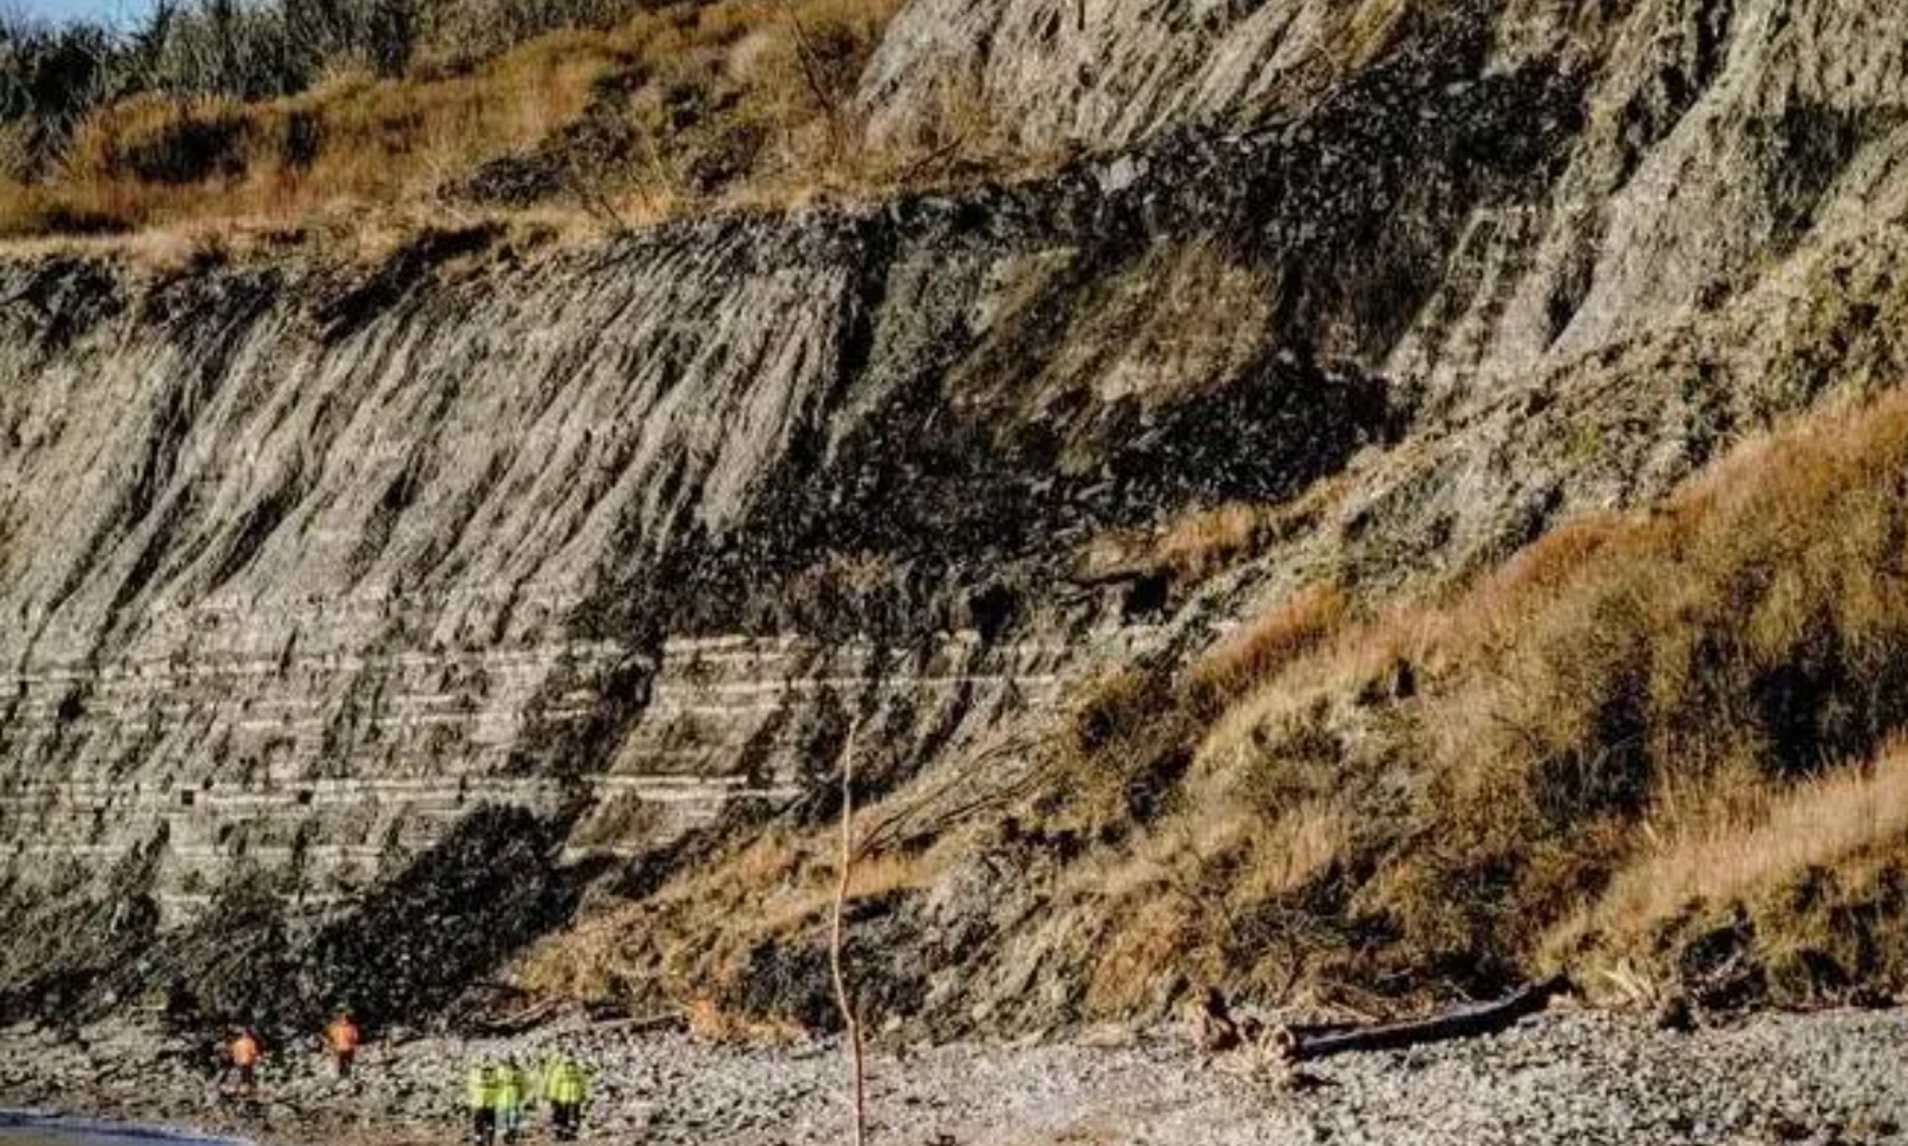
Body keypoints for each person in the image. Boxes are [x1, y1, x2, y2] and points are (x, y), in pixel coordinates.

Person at [541, 1049, 590, 1142]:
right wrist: (586, 1094)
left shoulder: (561, 1069)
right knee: (573, 1116)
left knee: (563, 1116)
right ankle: (569, 1133)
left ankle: (562, 1134)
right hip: (574, 1095)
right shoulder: (577, 1068)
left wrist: (553, 1096)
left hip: (563, 1096)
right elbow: (584, 1083)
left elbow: (555, 1083)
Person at [492, 1057, 527, 1144]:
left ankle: (512, 1135)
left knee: (513, 1117)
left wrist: (522, 1095)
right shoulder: (499, 1070)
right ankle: (505, 1136)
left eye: (512, 1060)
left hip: (513, 1096)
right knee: (503, 1117)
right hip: (502, 1096)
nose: (510, 1062)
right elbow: (495, 1083)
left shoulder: (518, 1070)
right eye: (509, 1060)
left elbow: (522, 1084)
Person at [466, 1059, 498, 1146]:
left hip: (486, 1107)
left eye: (489, 1071)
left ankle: (486, 1140)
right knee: (481, 1128)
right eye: (485, 1071)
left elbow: (470, 1090)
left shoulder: (479, 1082)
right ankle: (480, 1141)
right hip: (481, 1107)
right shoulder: (480, 1082)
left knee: (488, 1127)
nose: (487, 1073)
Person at [325, 1010, 361, 1080]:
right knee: (348, 1062)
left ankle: (342, 1076)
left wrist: (332, 1045)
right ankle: (347, 1075)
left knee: (341, 1063)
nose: (344, 1019)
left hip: (341, 1048)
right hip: (348, 1048)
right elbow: (356, 1038)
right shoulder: (352, 1027)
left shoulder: (336, 1027)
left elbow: (331, 1037)